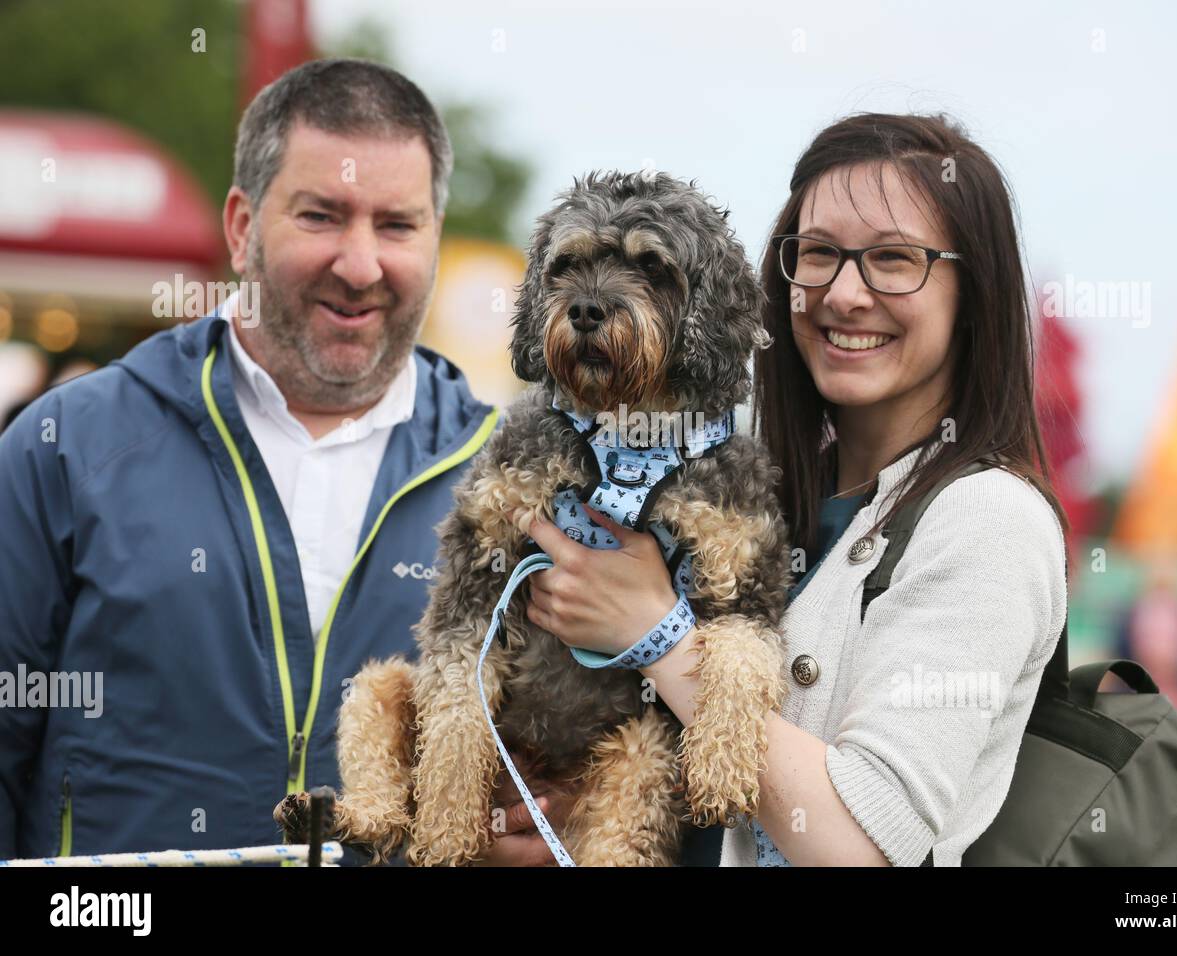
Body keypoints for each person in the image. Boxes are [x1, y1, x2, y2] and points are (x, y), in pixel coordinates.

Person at [517, 112, 1069, 865]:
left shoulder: (989, 523)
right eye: (819, 254)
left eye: (894, 259)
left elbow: (860, 848)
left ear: (973, 292)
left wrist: (651, 628)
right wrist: (559, 826)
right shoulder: (762, 486)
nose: (843, 293)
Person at [0, 58, 503, 860]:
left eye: (397, 225)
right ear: (241, 227)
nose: (361, 263)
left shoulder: (508, 488)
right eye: (321, 216)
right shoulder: (70, 445)